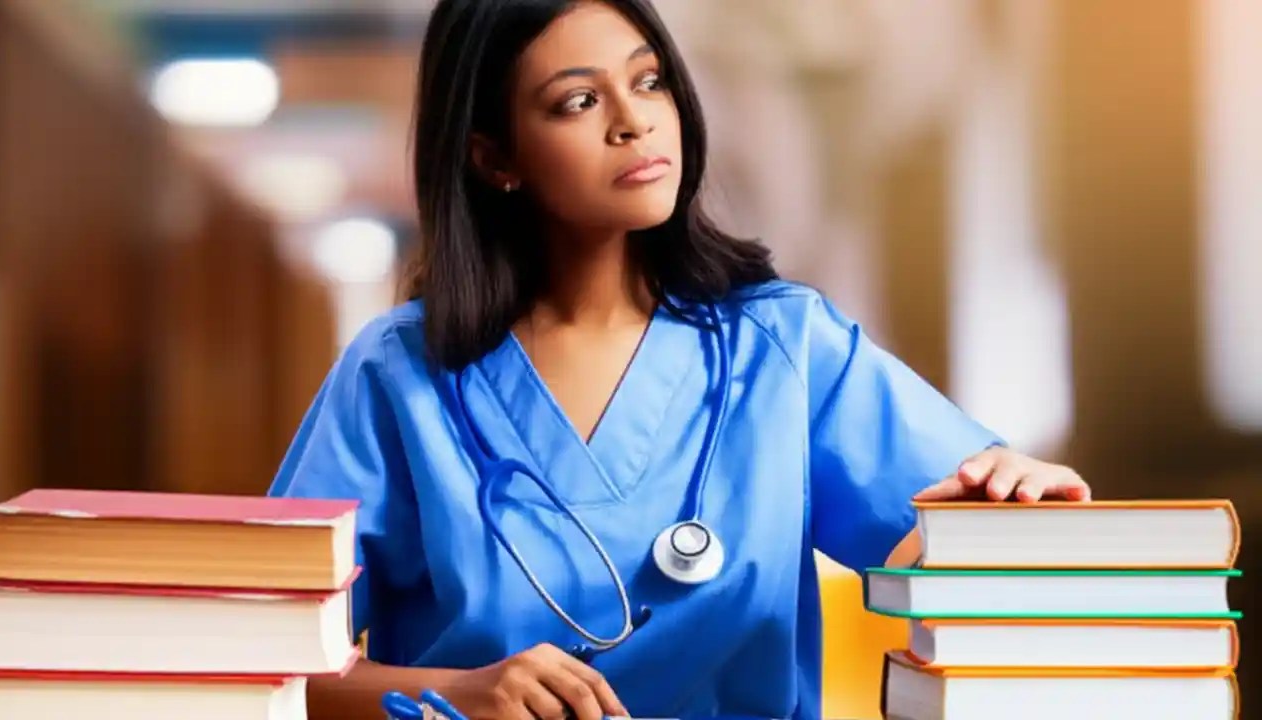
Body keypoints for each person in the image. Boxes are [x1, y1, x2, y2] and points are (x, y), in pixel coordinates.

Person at [268, 1, 1092, 719]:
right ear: (494, 157)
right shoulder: (398, 373)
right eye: (579, 101)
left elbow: (961, 559)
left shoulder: (787, 348)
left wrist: (1016, 504)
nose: (634, 121)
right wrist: (459, 692)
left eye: (650, 81)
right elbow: (269, 662)